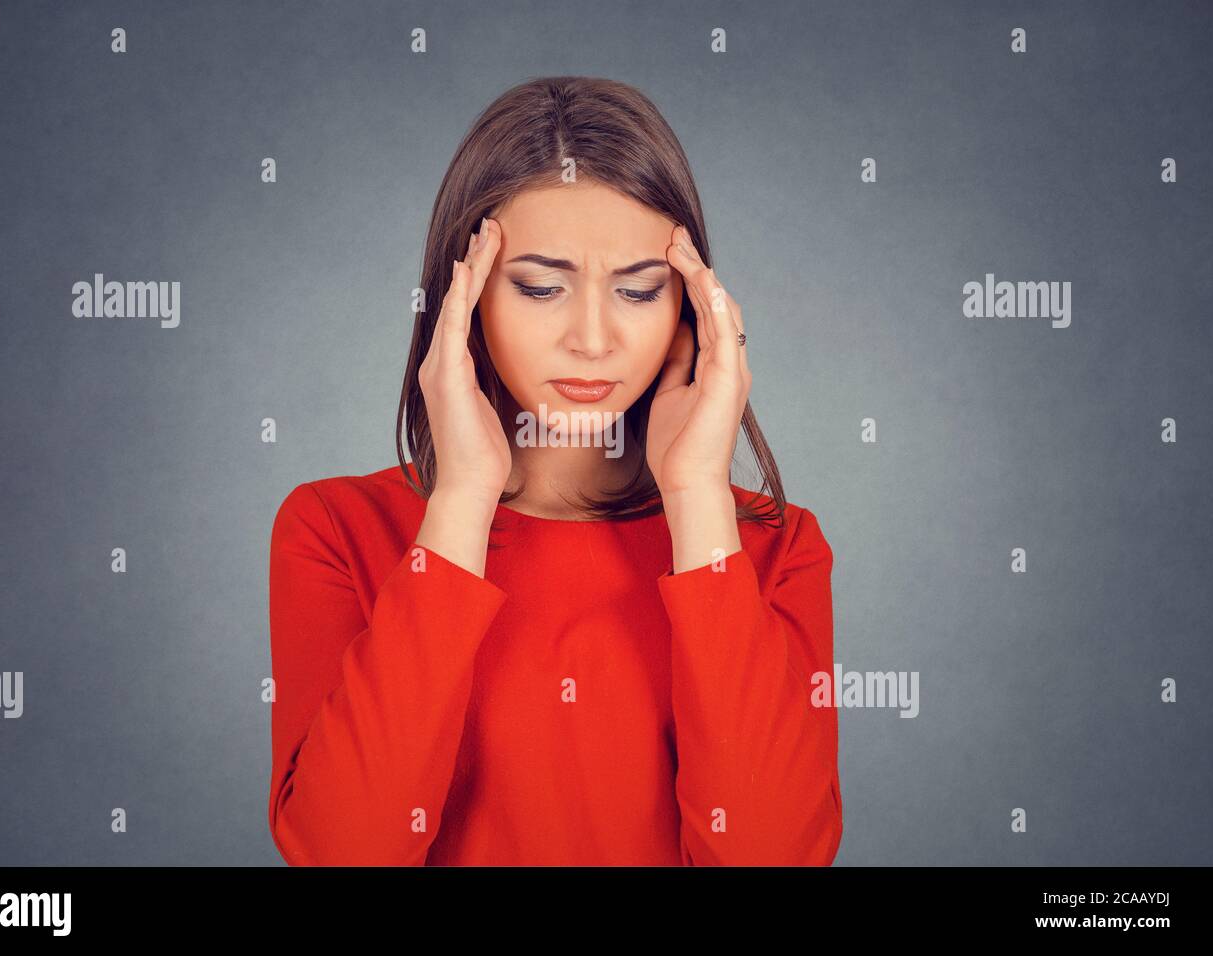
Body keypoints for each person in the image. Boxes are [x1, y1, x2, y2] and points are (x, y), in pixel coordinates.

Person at [267, 76, 842, 865]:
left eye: (639, 291)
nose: (594, 339)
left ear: (690, 305)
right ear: (462, 298)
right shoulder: (335, 530)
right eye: (541, 287)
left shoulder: (775, 550)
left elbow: (772, 856)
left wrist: (698, 500)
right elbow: (343, 853)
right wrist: (464, 500)